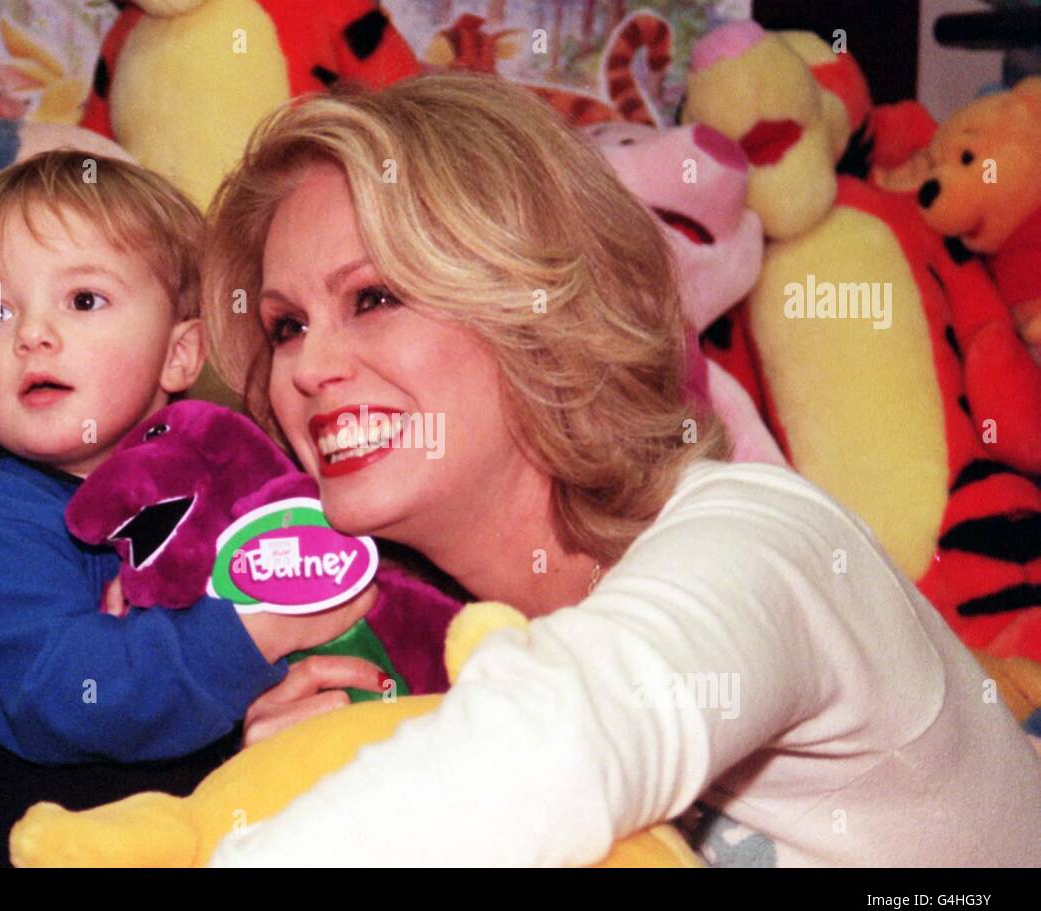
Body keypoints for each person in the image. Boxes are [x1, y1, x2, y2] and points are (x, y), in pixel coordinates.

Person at [200, 74, 1041, 866]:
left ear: (539, 310)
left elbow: (565, 750)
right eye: (285, 327)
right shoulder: (431, 636)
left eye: (372, 298)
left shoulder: (758, 541)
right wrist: (301, 768)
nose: (309, 368)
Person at [0, 151, 377, 867]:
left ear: (179, 354)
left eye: (82, 301)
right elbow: (72, 699)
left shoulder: (215, 494)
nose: (32, 334)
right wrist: (253, 634)